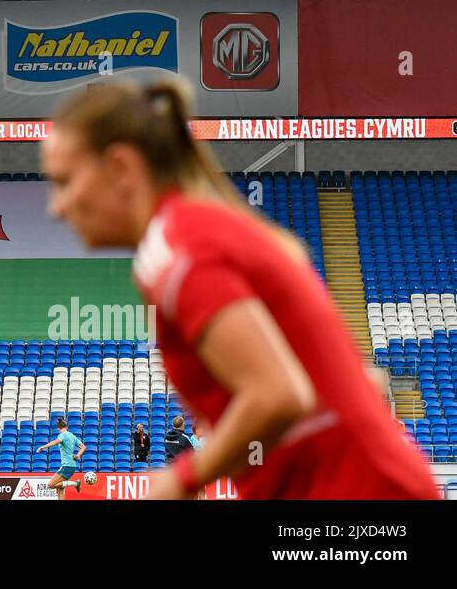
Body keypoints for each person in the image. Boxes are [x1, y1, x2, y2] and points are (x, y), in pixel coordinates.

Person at [42, 76, 438, 500]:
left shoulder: (179, 250)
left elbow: (278, 394)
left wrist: (182, 479)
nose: (56, 207)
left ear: (121, 167)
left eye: (65, 182)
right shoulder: (196, 232)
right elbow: (358, 381)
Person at [36, 416, 86, 499]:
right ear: (66, 427)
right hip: (72, 465)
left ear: (58, 428)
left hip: (66, 465)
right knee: (59, 489)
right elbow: (83, 447)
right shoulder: (72, 435)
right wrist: (78, 455)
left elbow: (56, 441)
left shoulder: (62, 435)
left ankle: (75, 483)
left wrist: (42, 447)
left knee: (50, 485)